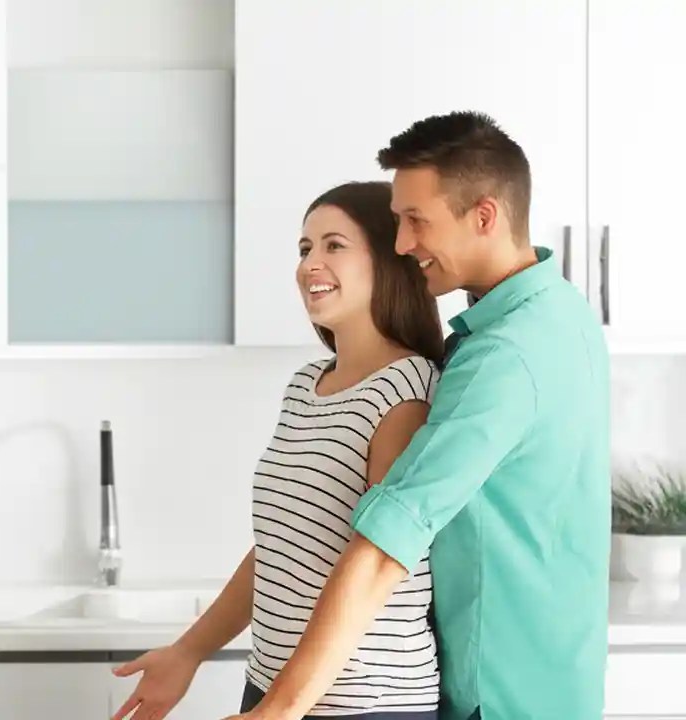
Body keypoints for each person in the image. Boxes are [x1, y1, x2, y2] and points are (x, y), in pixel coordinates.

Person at [233, 112, 610, 720]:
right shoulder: (559, 312)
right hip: (546, 679)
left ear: (484, 215)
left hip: (500, 692)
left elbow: (390, 540)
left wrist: (280, 707)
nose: (403, 244)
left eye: (416, 221)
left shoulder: (504, 355)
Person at [112, 180, 447, 720]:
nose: (310, 263)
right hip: (275, 689)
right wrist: (188, 652)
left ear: (390, 260)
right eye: (305, 248)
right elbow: (279, 550)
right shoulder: (306, 386)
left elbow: (382, 566)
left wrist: (282, 708)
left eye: (334, 245)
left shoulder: (406, 394)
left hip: (363, 703)